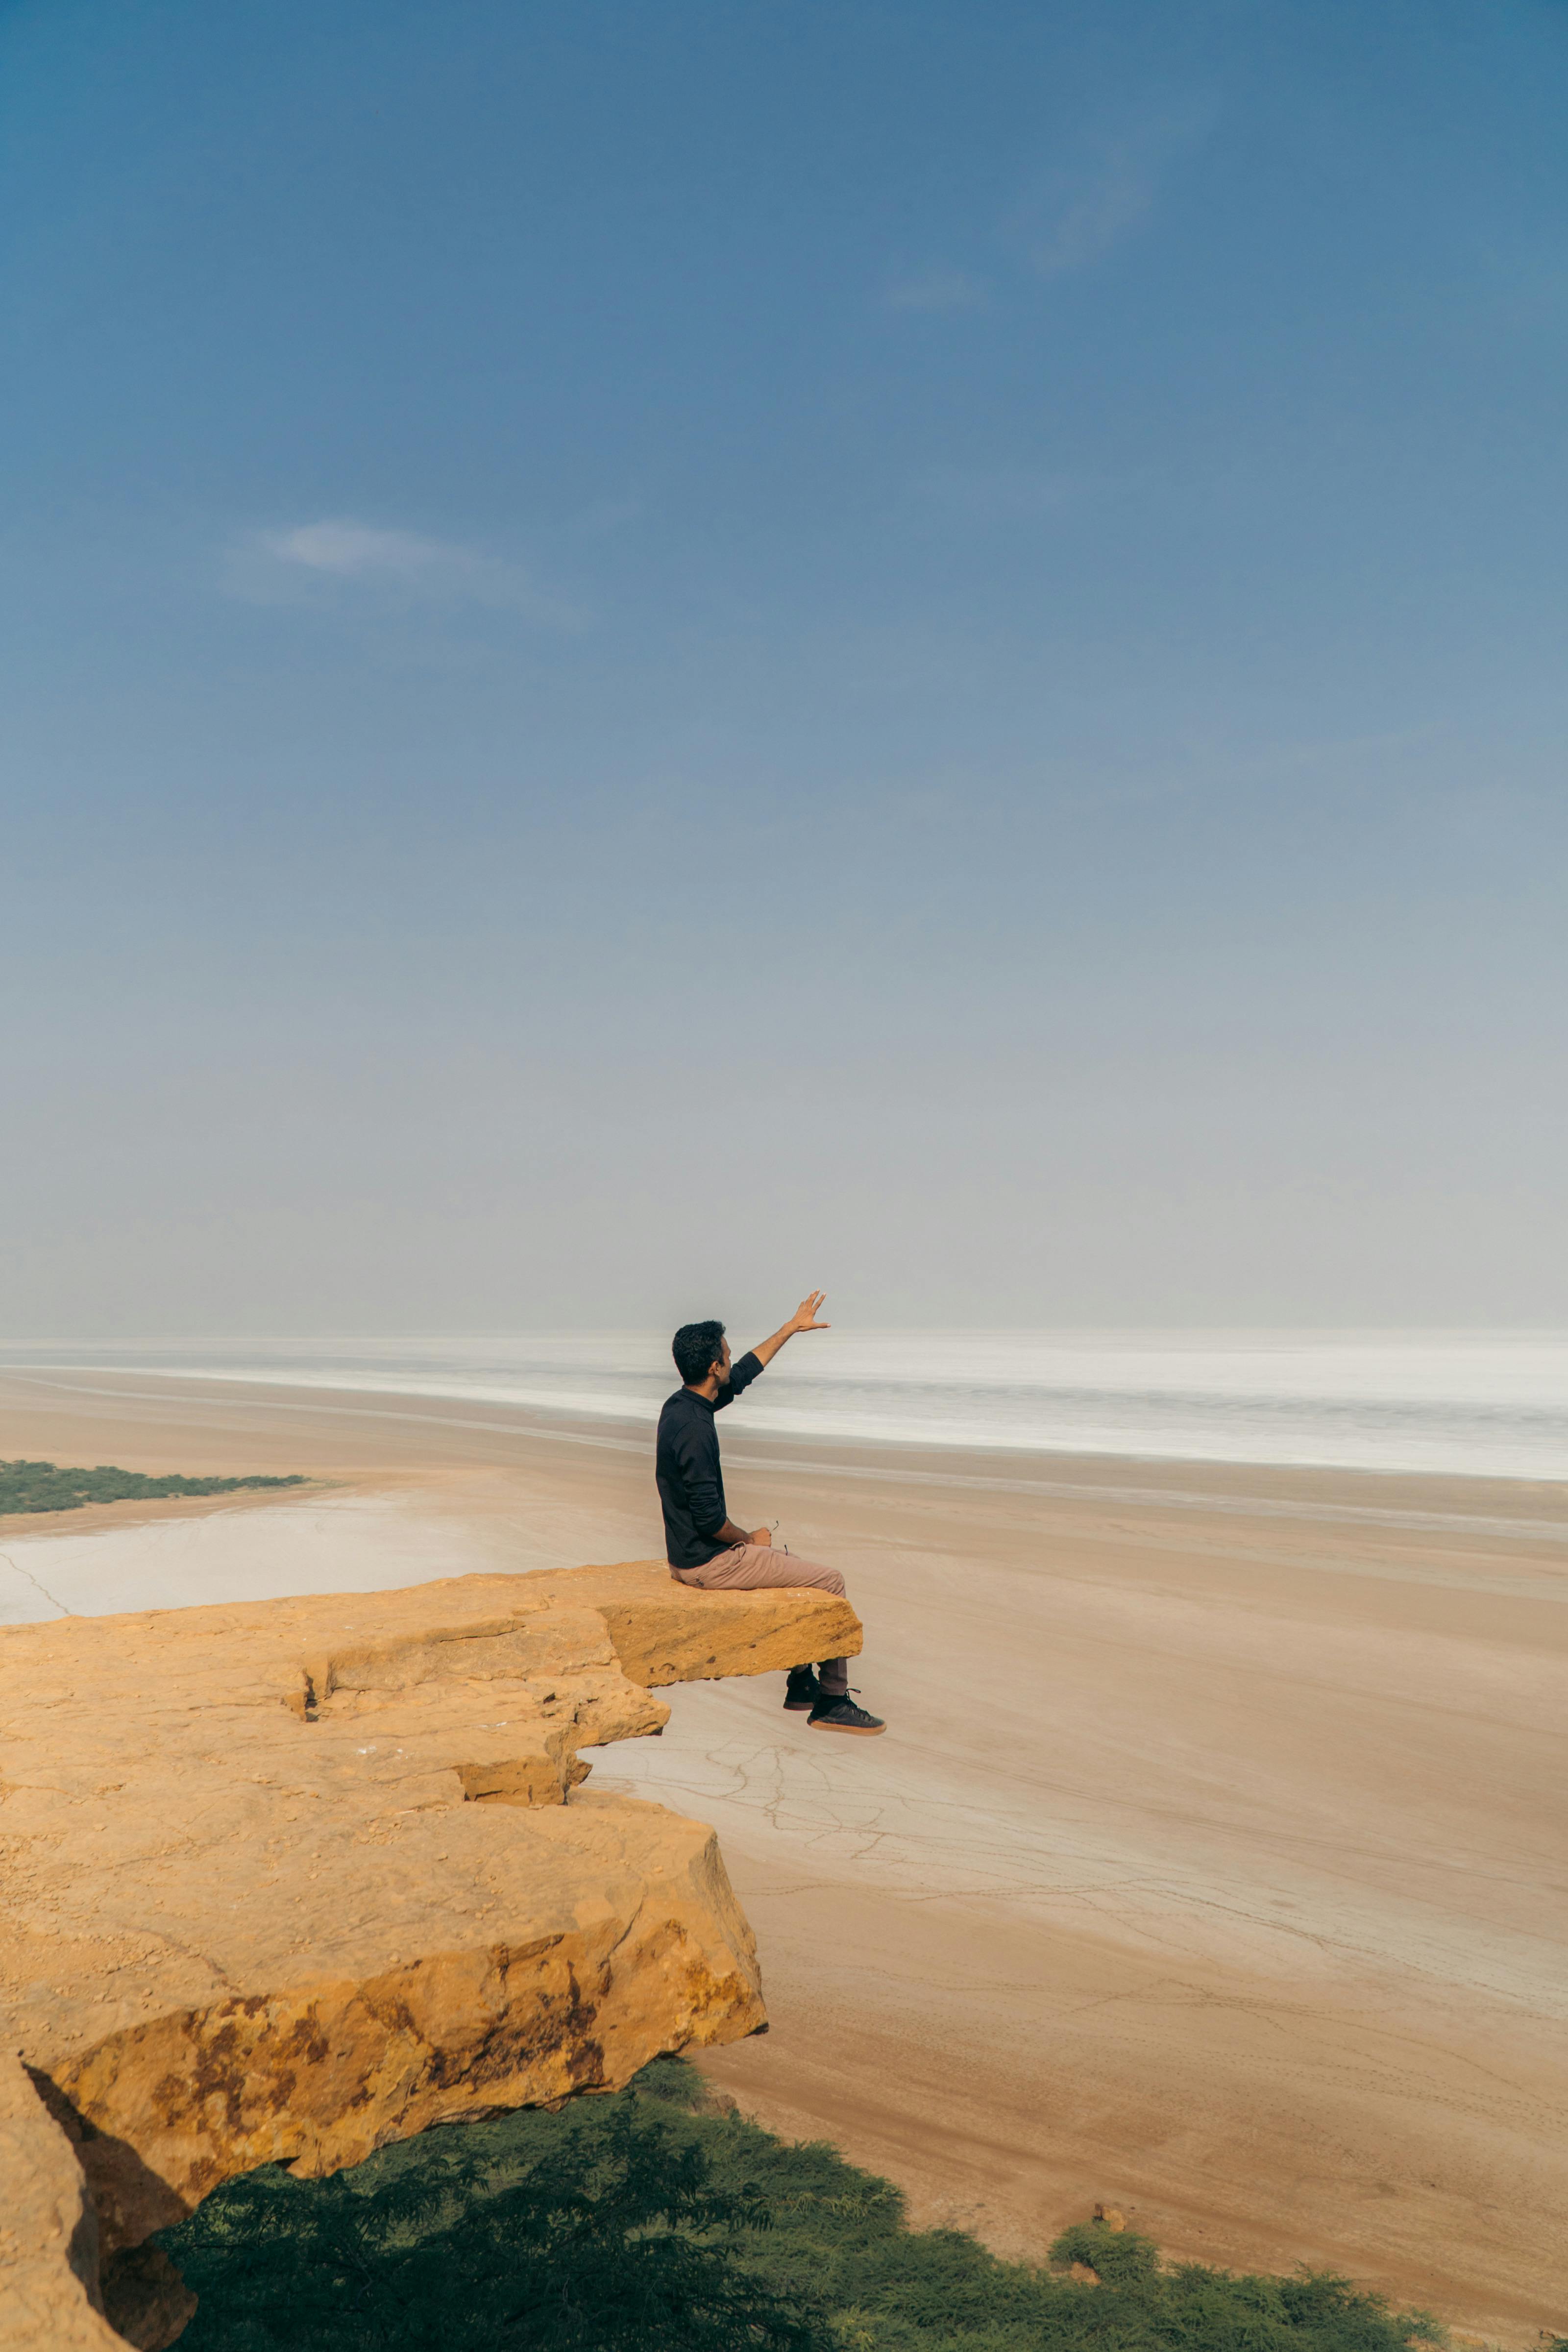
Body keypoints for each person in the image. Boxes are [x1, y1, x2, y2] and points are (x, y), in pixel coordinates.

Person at [656, 1292, 886, 1736]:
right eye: (725, 1353)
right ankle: (833, 1701)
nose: (730, 1357)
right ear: (712, 1369)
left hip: (686, 1554)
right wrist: (748, 1538)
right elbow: (711, 1520)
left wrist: (789, 1328)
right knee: (830, 1580)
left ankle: (801, 1683)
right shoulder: (696, 1430)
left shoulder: (683, 1405)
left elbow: (743, 1374)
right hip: (707, 1563)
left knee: (792, 1562)